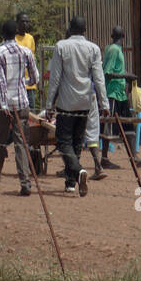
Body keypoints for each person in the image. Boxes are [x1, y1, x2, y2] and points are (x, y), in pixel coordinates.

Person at [45, 16, 109, 196]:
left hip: (66, 103)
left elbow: (55, 79)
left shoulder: (61, 46)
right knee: (77, 142)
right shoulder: (93, 48)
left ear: (70, 28)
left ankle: (78, 170)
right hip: (85, 102)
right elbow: (99, 78)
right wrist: (104, 103)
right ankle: (70, 183)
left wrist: (50, 104)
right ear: (84, 31)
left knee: (64, 141)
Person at [0, 19, 38, 196]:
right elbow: (34, 78)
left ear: (2, 34)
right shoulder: (25, 52)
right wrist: (21, 83)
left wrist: (3, 103)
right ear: (16, 33)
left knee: (0, 141)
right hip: (22, 103)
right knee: (21, 143)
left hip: (4, 106)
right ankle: (25, 182)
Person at [101, 26, 141, 169]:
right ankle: (104, 158)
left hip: (120, 93)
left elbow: (117, 70)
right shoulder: (114, 50)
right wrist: (126, 76)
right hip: (112, 93)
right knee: (108, 125)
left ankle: (134, 157)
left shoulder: (113, 49)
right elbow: (108, 73)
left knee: (128, 123)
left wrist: (127, 76)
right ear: (123, 36)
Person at [14, 11, 38, 110]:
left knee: (31, 111)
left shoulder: (30, 38)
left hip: (30, 85)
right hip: (16, 84)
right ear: (17, 23)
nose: (25, 24)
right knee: (18, 112)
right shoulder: (12, 38)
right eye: (22, 21)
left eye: (27, 22)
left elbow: (32, 59)